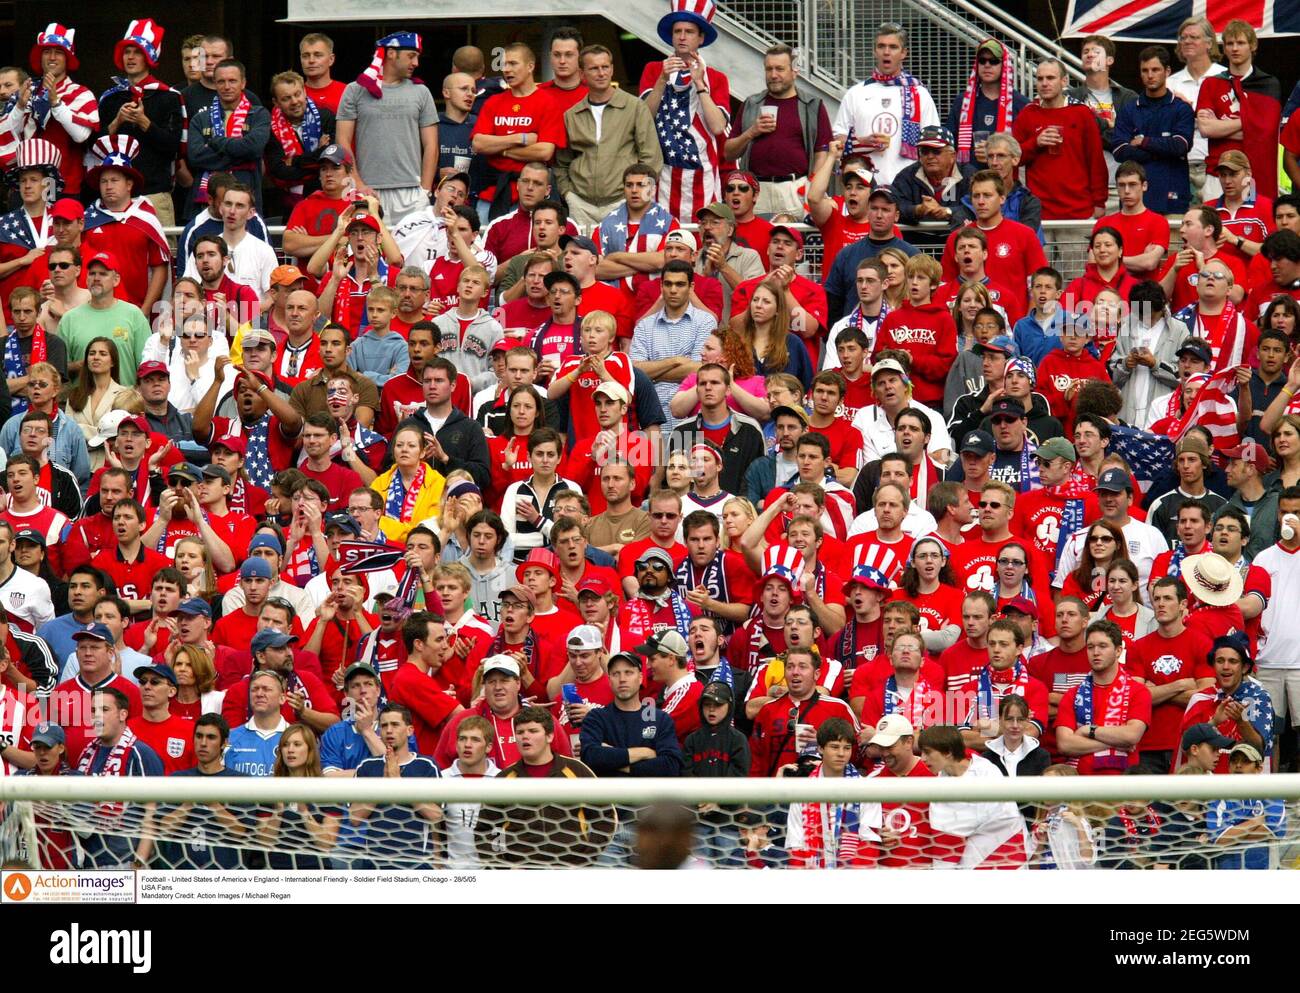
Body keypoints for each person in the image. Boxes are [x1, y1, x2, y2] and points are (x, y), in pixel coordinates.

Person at [477, 706, 612, 868]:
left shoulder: (577, 771)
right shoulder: (504, 779)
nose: (525, 737)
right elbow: (485, 829)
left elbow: (606, 817)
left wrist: (584, 856)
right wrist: (502, 865)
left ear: (549, 736)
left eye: (533, 731)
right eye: (520, 733)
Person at [640, 1, 729, 223]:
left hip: (704, 176)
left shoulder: (716, 78)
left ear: (701, 38)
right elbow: (642, 120)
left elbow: (718, 126)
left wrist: (700, 84)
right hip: (662, 176)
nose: (682, 37)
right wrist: (661, 80)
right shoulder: (653, 69)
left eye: (689, 32)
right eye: (677, 31)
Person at [554, 44, 662, 228]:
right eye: (594, 68)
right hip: (581, 204)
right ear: (582, 74)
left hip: (623, 200)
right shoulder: (571, 115)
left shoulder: (635, 107)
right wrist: (568, 195)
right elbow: (561, 162)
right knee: (582, 256)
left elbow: (651, 157)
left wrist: (639, 196)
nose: (601, 73)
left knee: (622, 256)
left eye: (605, 67)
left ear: (612, 69)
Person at [337, 32, 438, 224]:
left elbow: (432, 145)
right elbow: (342, 141)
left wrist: (424, 190)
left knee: (412, 253)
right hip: (368, 189)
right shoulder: (355, 90)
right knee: (367, 251)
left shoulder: (421, 92)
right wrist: (357, 184)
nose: (416, 63)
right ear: (391, 53)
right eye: (411, 55)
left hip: (411, 191)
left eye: (417, 57)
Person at [723, 44, 831, 215]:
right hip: (756, 192)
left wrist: (811, 185)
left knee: (796, 241)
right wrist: (752, 131)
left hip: (795, 190)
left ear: (794, 71)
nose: (773, 75)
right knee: (754, 241)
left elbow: (822, 152)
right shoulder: (751, 104)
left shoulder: (812, 105)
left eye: (780, 69)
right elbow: (729, 153)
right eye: (769, 69)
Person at [1127, 577, 1214, 773]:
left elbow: (1205, 698)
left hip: (1189, 744)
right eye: (1157, 599)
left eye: (1168, 598)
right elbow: (1135, 699)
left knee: (1188, 804)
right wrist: (1181, 685)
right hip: (1148, 745)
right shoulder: (1138, 647)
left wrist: (1154, 691)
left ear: (1183, 604)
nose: (1161, 604)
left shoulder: (1202, 643)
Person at [833, 23, 938, 185]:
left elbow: (933, 142)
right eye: (881, 46)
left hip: (907, 186)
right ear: (875, 51)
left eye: (893, 47)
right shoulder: (855, 93)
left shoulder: (920, 94)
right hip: (863, 185)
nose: (886, 52)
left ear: (904, 53)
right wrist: (862, 142)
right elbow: (838, 141)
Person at [470, 43, 565, 223]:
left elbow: (544, 151)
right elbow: (478, 144)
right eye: (504, 64)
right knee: (481, 248)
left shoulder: (547, 103)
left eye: (513, 64)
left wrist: (499, 149)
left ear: (530, 66)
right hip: (492, 193)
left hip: (533, 196)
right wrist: (520, 138)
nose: (506, 69)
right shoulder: (493, 102)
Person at [918, 723, 1028, 867]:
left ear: (948, 752)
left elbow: (1005, 818)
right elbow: (946, 842)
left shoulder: (987, 771)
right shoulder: (939, 785)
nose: (922, 759)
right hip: (969, 864)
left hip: (1007, 855)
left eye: (927, 752)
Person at [347, 704, 443, 869]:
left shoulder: (426, 765)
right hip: (375, 865)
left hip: (417, 864)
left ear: (410, 730)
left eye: (395, 724)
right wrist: (384, 784)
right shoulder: (366, 767)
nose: (389, 730)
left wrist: (400, 785)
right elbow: (354, 819)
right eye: (384, 726)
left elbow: (436, 815)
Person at [1194, 20, 1281, 200]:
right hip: (1218, 173)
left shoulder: (1268, 84)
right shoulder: (1211, 84)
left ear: (1252, 45)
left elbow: (1266, 132)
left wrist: (1221, 126)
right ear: (1224, 48)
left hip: (1255, 175)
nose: (1234, 48)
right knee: (1214, 226)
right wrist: (1251, 123)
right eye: (1229, 44)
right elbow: (1206, 129)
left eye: (1240, 43)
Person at [1013, 59, 1107, 221]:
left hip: (1078, 209)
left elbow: (1095, 160)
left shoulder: (1081, 113)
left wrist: (1099, 202)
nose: (1044, 83)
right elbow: (1013, 158)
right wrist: (1036, 143)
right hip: (1038, 211)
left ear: (1064, 81)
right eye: (1040, 78)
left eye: (1050, 78)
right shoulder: (1027, 114)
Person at [1055, 620, 1153, 774]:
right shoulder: (1073, 694)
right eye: (1090, 647)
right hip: (1082, 787)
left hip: (1125, 786)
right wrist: (1113, 743)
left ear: (1118, 651)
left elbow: (1132, 735)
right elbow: (1065, 744)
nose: (1095, 652)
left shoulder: (1138, 691)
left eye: (1103, 646)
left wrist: (1089, 730)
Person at [1113, 46, 1196, 216]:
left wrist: (1144, 142)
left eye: (1155, 70)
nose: (1150, 75)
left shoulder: (1181, 109)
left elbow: (1180, 146)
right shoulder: (1129, 110)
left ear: (1167, 71)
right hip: (1135, 204)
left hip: (1172, 199)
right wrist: (1163, 151)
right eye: (1145, 70)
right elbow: (1119, 150)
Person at [185, 59, 269, 218]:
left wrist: (216, 142)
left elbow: (254, 148)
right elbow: (195, 157)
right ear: (215, 84)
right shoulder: (200, 119)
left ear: (243, 83)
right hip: (207, 203)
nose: (227, 86)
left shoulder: (258, 114)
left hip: (247, 201)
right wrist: (241, 156)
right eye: (221, 81)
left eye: (232, 81)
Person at [823, 185, 919, 324]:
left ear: (896, 215)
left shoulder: (912, 255)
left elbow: (923, 299)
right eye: (874, 208)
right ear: (868, 211)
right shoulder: (846, 254)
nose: (879, 215)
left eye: (885, 210)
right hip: (853, 337)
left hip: (903, 335)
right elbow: (833, 303)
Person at [579, 649, 683, 776]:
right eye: (616, 674)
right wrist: (644, 753)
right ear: (609, 679)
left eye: (628, 673)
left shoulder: (660, 719)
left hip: (647, 795)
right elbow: (590, 757)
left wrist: (615, 761)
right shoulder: (596, 717)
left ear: (640, 678)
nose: (622, 679)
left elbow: (670, 766)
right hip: (609, 795)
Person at [56, 251, 150, 389]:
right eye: (92, 273)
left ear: (116, 280)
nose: (96, 278)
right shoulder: (69, 319)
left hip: (124, 401)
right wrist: (80, 365)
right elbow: (59, 369)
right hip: (84, 403)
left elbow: (146, 365)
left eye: (103, 274)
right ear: (86, 279)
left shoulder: (134, 314)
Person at [28, 23, 100, 198]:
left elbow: (81, 135)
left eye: (59, 52)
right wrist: (19, 108)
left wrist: (56, 104)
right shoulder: (27, 90)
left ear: (68, 58)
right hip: (28, 184)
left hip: (63, 184)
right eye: (46, 51)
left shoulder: (81, 93)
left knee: (58, 226)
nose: (52, 57)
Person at [1168, 16, 1225, 204]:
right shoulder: (1170, 83)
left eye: (1194, 37)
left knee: (1216, 222)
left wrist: (1187, 112)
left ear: (1209, 43)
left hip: (1218, 165)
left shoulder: (1224, 77)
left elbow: (1228, 119)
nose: (1187, 41)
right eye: (1183, 38)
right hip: (1180, 165)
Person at [946, 39, 1029, 166]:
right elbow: (950, 142)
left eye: (994, 61)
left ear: (1004, 65)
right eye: (982, 60)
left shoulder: (1020, 103)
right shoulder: (962, 102)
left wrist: (995, 151)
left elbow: (1027, 147)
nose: (987, 65)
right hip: (969, 177)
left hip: (1005, 179)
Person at [264, 70, 336, 214]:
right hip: (288, 204)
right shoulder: (269, 128)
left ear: (305, 92)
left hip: (326, 197)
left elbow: (330, 157)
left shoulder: (325, 117)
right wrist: (316, 159)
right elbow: (279, 171)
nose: (294, 101)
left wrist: (295, 161)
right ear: (276, 102)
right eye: (286, 98)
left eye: (297, 94)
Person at [1206, 742, 1286, 868]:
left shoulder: (1271, 792)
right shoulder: (1219, 795)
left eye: (1245, 761)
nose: (1238, 765)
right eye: (1234, 761)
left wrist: (1233, 834)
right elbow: (1218, 839)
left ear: (1259, 768)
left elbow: (1275, 829)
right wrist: (1256, 821)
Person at [892, 125, 972, 230]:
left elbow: (976, 208)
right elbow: (892, 208)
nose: (930, 156)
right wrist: (917, 210)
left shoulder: (969, 175)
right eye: (924, 152)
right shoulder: (906, 176)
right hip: (915, 241)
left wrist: (948, 211)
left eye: (936, 151)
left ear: (953, 156)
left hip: (958, 240)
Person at [299, 32, 347, 113]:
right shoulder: (293, 95)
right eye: (306, 56)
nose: (311, 60)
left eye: (318, 55)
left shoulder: (347, 92)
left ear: (331, 59)